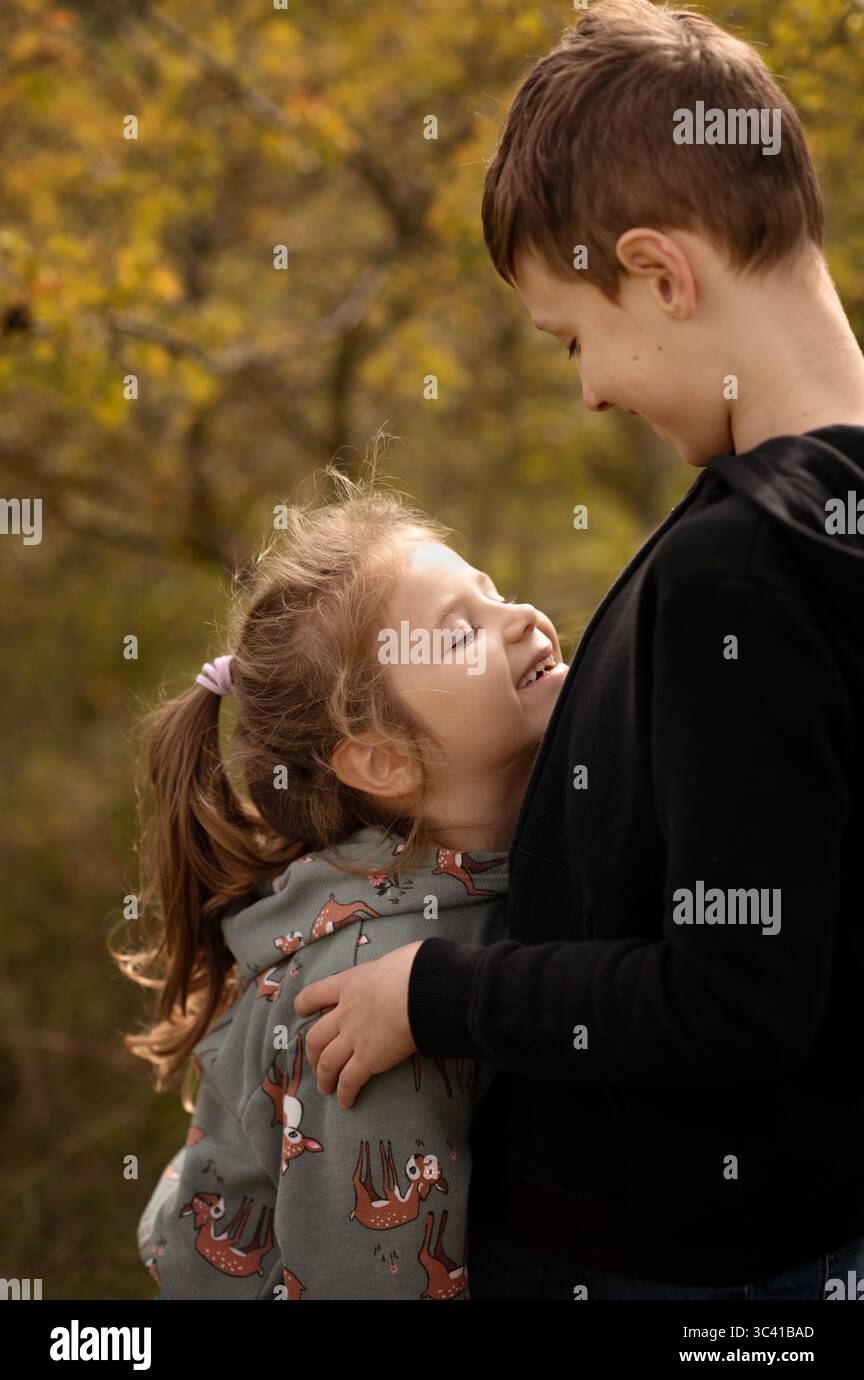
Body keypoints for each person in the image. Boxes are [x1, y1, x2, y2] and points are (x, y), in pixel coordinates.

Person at [293, 0, 864, 1299]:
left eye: (575, 338)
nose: (590, 388)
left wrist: (434, 992)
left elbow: (734, 995)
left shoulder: (743, 563)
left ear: (663, 273)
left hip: (670, 1269)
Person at [117, 467, 568, 1298]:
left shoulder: (498, 865)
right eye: (464, 633)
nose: (522, 618)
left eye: (495, 592)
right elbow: (374, 1279)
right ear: (381, 759)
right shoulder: (370, 1008)